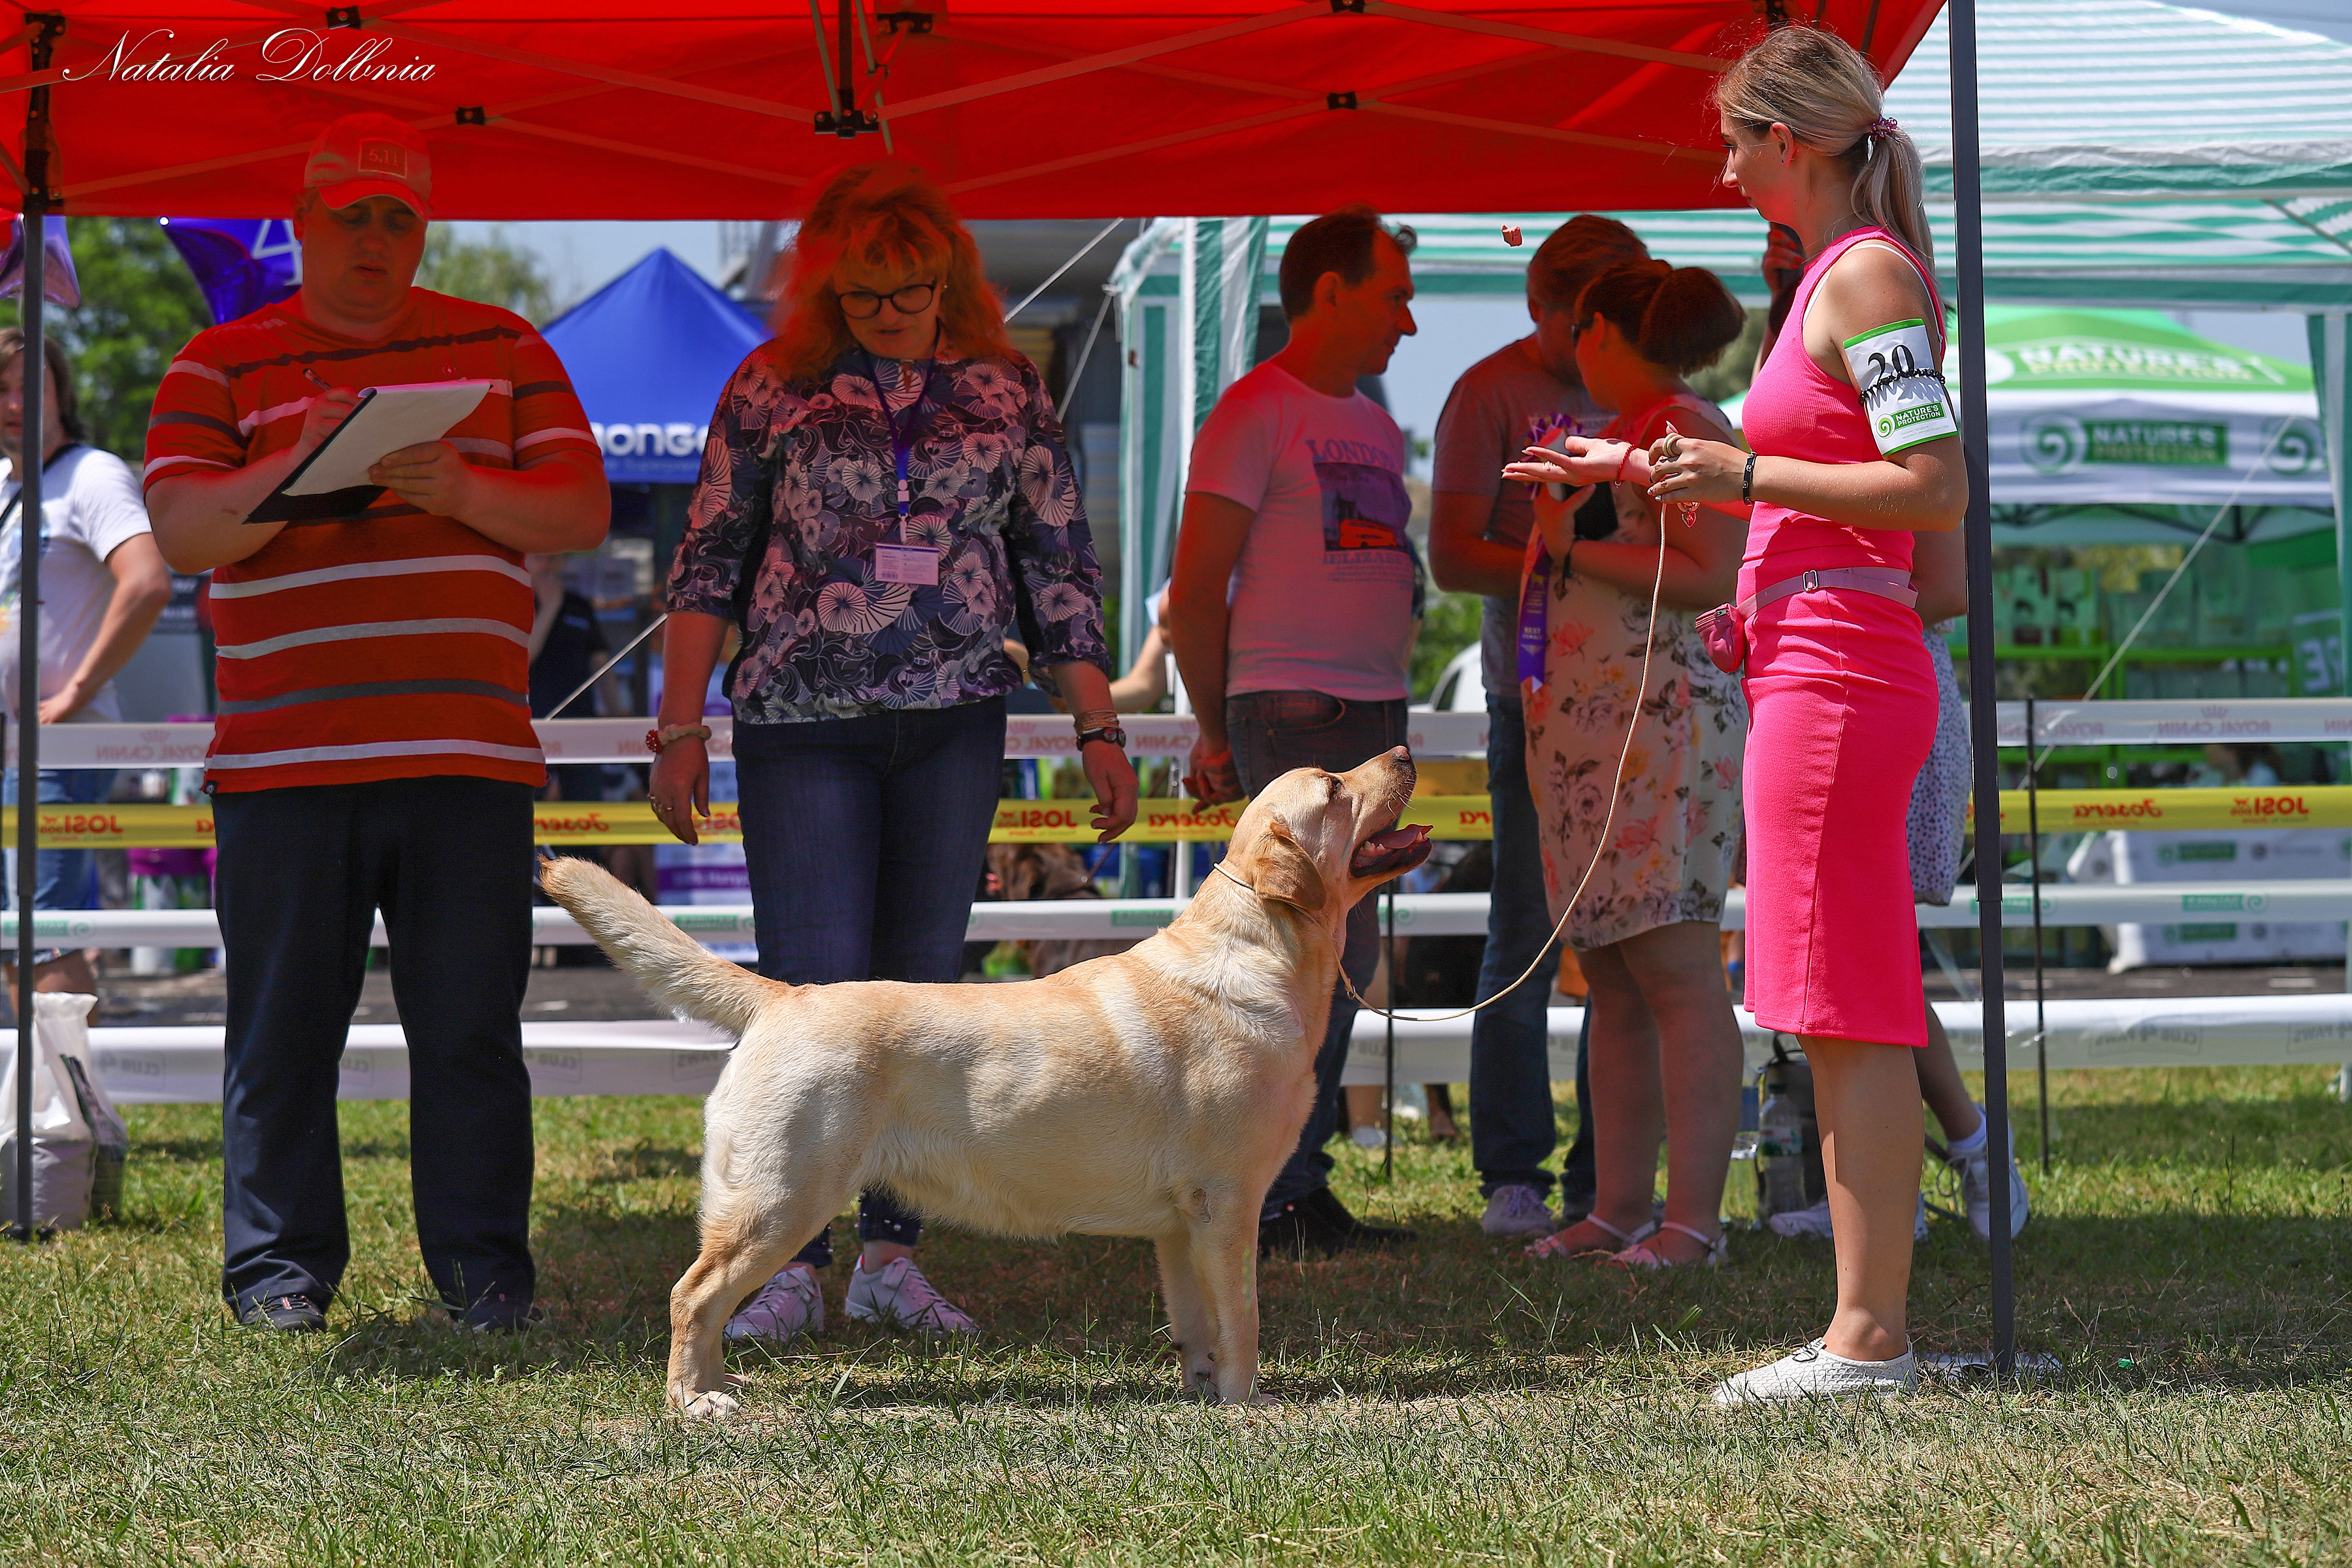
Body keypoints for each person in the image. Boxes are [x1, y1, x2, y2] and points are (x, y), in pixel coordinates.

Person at [654, 161, 1136, 1345]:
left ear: (949, 281)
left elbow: (1059, 567)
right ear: (828, 289)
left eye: (911, 292)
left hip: (959, 716)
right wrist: (676, 726)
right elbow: (708, 559)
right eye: (865, 296)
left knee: (924, 996)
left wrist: (1098, 721)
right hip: (799, 719)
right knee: (813, 995)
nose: (889, 314)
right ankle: (782, 1264)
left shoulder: (1009, 392)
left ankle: (889, 1256)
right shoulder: (770, 387)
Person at [144, 113, 610, 1332]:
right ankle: (279, 1276)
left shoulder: (504, 345)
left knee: (468, 1029)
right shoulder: (218, 363)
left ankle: (485, 1276)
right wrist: (295, 473)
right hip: (282, 763)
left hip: (466, 756)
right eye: (348, 212)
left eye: (397, 215)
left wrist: (460, 486)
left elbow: (576, 509)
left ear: (423, 231)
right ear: (301, 223)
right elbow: (187, 536)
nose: (372, 236)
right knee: (283, 1030)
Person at [1637, 26, 1970, 1401]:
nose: (1723, 170)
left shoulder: (1870, 275)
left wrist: (1744, 466)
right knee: (1845, 1007)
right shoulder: (1844, 277)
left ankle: (1868, 1336)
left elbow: (1934, 487)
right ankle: (1862, 1327)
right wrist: (1707, 471)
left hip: (1838, 673)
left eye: (1734, 141)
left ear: (1795, 140)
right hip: (1811, 664)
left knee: (1848, 1006)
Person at [1169, 204, 1420, 1258]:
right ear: (1329, 291)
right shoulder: (1253, 411)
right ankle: (1260, 1191)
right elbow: (1195, 584)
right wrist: (1212, 722)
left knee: (1339, 951)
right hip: (1286, 709)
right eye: (1394, 294)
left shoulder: (1372, 419)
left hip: (1366, 711)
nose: (1408, 322)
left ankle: (1289, 1181)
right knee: (1283, 951)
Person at [1500, 258, 1752, 1270]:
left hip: (1662, 732)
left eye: (1578, 331)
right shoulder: (1637, 429)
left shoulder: (1684, 428)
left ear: (1601, 327)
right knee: (1610, 971)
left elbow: (1709, 577)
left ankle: (1692, 1222)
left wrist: (1569, 548)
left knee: (1678, 972)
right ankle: (1618, 1207)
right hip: (1597, 742)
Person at [1429, 214, 1649, 1239]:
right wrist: (1552, 569)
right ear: (1545, 309)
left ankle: (1611, 1180)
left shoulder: (1646, 393)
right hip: (1531, 698)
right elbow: (1452, 553)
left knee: (1632, 940)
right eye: (1595, 318)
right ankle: (1510, 1171)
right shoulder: (1487, 393)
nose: (1611, 335)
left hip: (1634, 702)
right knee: (1524, 931)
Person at [1763, 523, 2029, 1244]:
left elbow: (1948, 587)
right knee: (1860, 966)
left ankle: (1949, 1163)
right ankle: (1944, 1164)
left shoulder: (1896, 427)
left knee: (1867, 966)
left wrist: (1818, 603)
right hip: (1838, 691)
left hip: (1879, 691)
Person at [0, 331, 172, 1004]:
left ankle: (72, 1111)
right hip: (18, 744)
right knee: (19, 937)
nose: (14, 404)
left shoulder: (91, 473)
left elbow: (148, 583)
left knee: (48, 939)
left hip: (60, 745)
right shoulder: (9, 482)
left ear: (62, 396)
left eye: (29, 387)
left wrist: (75, 691)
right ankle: (51, 1106)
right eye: (1, 390)